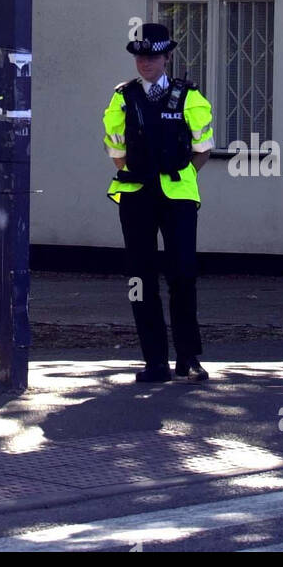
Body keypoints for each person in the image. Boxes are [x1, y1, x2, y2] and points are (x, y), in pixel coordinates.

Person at [102, 22, 214, 383]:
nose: (144, 63)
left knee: (183, 274)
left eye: (151, 57)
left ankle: (188, 358)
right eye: (139, 57)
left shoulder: (188, 96)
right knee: (140, 277)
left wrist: (183, 177)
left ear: (167, 57)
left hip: (178, 196)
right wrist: (135, 173)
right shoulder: (123, 96)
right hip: (136, 196)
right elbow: (115, 147)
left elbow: (204, 149)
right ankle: (154, 361)